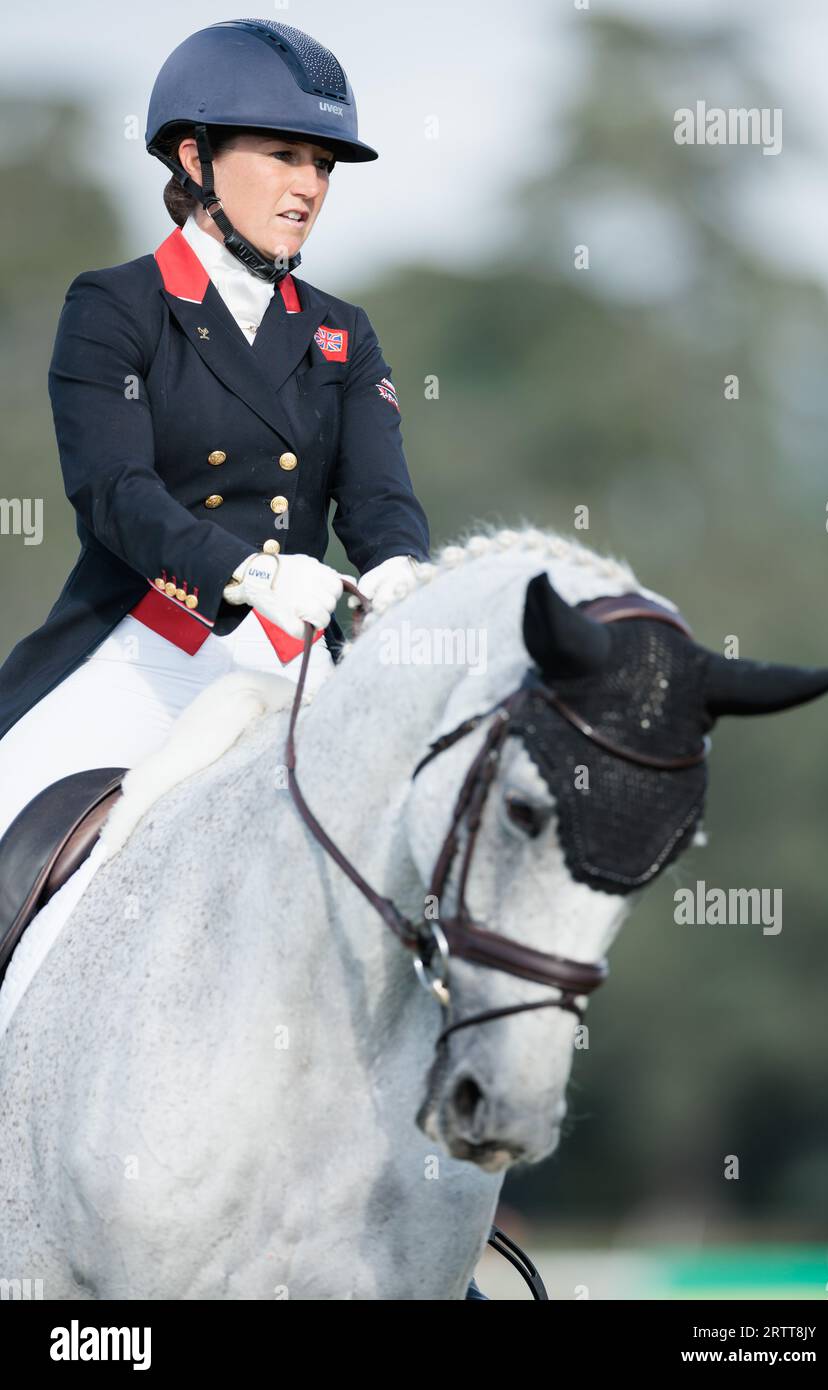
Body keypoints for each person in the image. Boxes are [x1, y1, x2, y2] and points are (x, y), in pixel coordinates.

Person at [0, 17, 488, 1302]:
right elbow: (113, 497)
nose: (310, 186)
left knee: (431, 877)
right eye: (285, 154)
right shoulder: (114, 308)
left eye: (325, 165)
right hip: (139, 656)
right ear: (197, 156)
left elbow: (380, 501)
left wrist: (394, 577)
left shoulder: (340, 334)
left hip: (298, 670)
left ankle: (431, 1197)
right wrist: (247, 571)